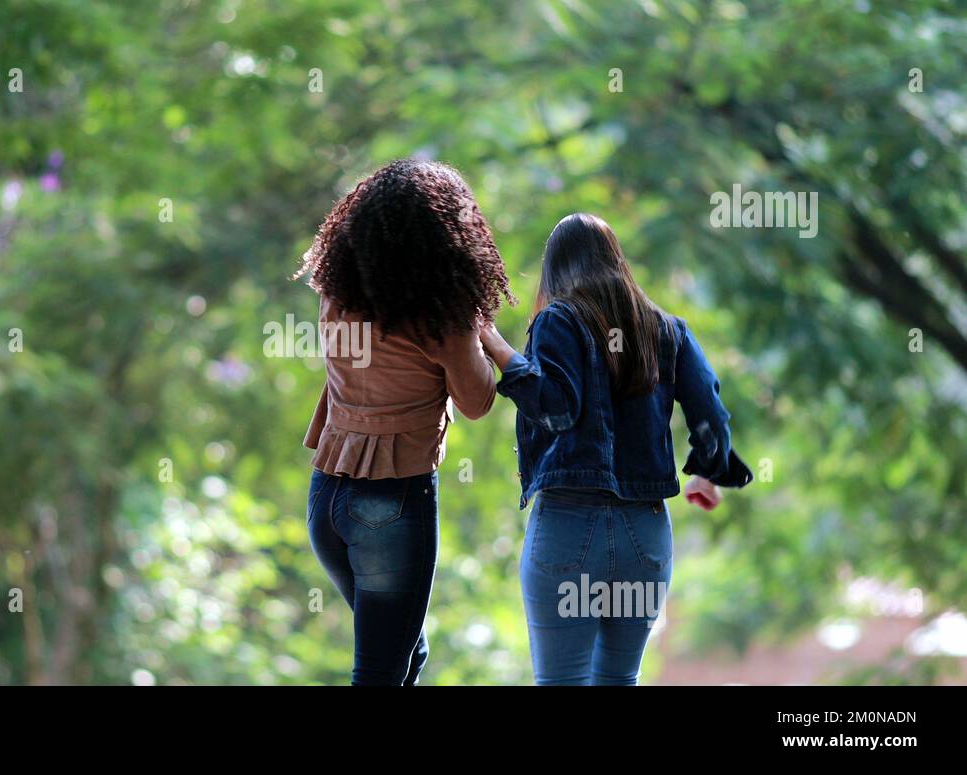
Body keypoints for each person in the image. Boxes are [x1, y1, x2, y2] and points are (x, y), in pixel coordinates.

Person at [479, 212, 753, 685]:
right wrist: (707, 472)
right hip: (643, 537)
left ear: (555, 270)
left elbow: (557, 409)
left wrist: (498, 347)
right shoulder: (668, 330)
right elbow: (711, 412)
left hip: (569, 527)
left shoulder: (558, 319)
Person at [294, 158, 514, 685]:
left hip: (327, 497)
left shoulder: (335, 294)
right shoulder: (443, 316)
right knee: (381, 672)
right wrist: (482, 331)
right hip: (390, 505)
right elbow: (478, 401)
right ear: (450, 236)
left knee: (404, 657)